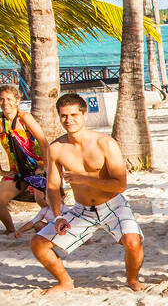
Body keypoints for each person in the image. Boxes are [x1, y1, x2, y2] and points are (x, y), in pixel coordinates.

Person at [29, 93, 143, 295]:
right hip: (82, 211)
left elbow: (120, 185)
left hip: (113, 205)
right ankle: (65, 282)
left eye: (74, 114)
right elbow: (53, 187)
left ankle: (132, 279)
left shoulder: (105, 143)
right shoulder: (56, 149)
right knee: (38, 244)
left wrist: (84, 178)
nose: (69, 120)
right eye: (64, 115)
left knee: (133, 242)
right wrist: (58, 216)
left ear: (84, 114)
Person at [0, 83, 49, 235]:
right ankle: (10, 230)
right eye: (1, 99)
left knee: (44, 201)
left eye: (9, 99)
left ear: (17, 100)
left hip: (36, 168)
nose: (5, 103)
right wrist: (1, 171)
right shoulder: (0, 123)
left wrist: (45, 166)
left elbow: (43, 142)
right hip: (17, 173)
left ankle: (61, 227)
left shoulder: (24, 118)